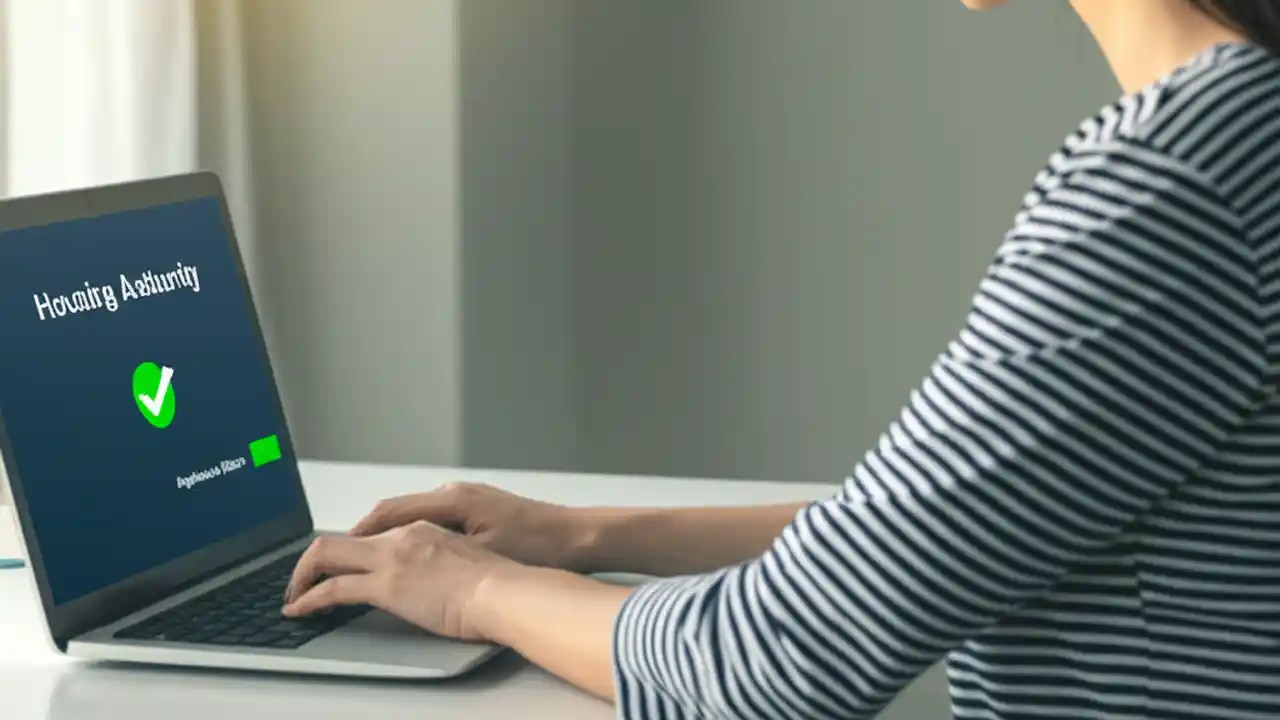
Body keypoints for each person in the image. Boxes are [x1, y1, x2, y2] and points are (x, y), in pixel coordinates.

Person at [281, 1, 1280, 717]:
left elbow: (783, 659)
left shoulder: (1169, 186)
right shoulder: (1240, 135)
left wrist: (469, 591)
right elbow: (948, 524)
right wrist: (583, 535)